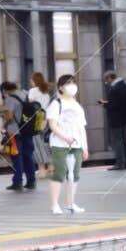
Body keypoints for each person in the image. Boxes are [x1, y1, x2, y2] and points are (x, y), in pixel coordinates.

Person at [44, 72, 87, 215]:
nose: (72, 86)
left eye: (73, 83)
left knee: (75, 174)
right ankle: (54, 204)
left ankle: (70, 204)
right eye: (68, 83)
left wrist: (84, 147)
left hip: (76, 144)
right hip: (59, 144)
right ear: (60, 88)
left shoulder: (77, 105)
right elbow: (52, 125)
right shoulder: (56, 104)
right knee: (59, 172)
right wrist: (65, 137)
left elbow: (82, 128)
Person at [1, 81, 36, 193]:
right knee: (28, 156)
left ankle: (17, 182)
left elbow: (10, 117)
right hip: (27, 129)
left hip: (15, 132)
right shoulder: (24, 94)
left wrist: (4, 126)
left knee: (16, 156)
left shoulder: (10, 99)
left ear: (4, 90)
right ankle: (31, 181)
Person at [99, 70, 126, 170]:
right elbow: (121, 102)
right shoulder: (124, 85)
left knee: (117, 140)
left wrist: (105, 104)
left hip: (116, 118)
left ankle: (120, 163)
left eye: (106, 80)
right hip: (124, 117)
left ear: (110, 78)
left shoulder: (116, 88)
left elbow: (114, 104)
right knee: (124, 139)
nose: (106, 82)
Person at [28, 70, 54, 177]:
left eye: (31, 79)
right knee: (46, 143)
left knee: (37, 145)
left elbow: (30, 104)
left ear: (34, 80)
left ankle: (42, 169)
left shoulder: (33, 91)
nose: (30, 81)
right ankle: (51, 167)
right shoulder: (46, 91)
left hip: (36, 119)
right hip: (46, 119)